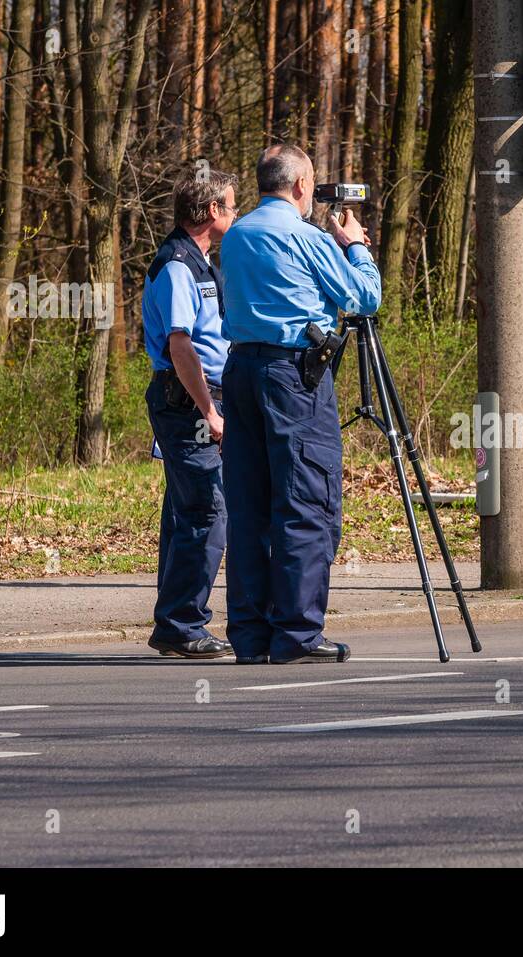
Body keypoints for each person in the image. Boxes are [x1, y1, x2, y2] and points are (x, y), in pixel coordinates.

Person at [219, 144, 380, 664]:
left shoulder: (237, 235)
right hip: (294, 378)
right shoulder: (307, 238)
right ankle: (298, 633)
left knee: (248, 505)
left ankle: (250, 633)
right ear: (303, 187)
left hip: (241, 371)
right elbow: (363, 299)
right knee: (306, 502)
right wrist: (354, 247)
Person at [141, 169, 239, 659]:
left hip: (203, 399)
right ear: (211, 212)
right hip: (189, 403)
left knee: (186, 512)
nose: (237, 214)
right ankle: (182, 623)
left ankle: (175, 621)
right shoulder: (178, 265)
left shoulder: (203, 262)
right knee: (206, 510)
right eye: (232, 206)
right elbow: (180, 346)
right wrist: (210, 410)